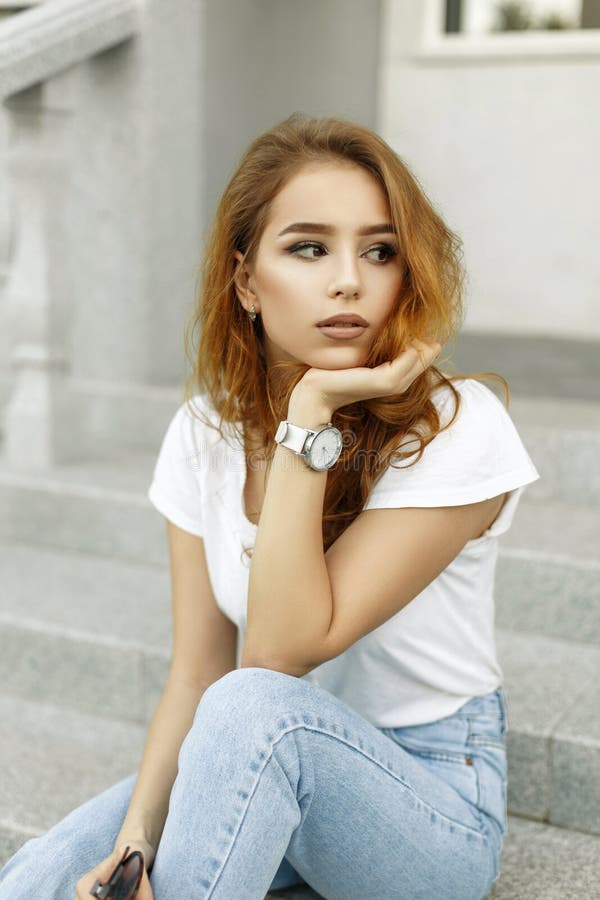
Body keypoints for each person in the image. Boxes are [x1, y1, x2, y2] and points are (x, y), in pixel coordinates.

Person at [0, 113, 539, 900]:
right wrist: (136, 841)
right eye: (309, 248)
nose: (349, 279)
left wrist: (311, 413)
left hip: (433, 802)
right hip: (262, 755)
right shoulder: (204, 434)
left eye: (380, 250)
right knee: (44, 874)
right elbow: (195, 675)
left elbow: (282, 653)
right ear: (247, 280)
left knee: (256, 706)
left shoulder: (457, 427)